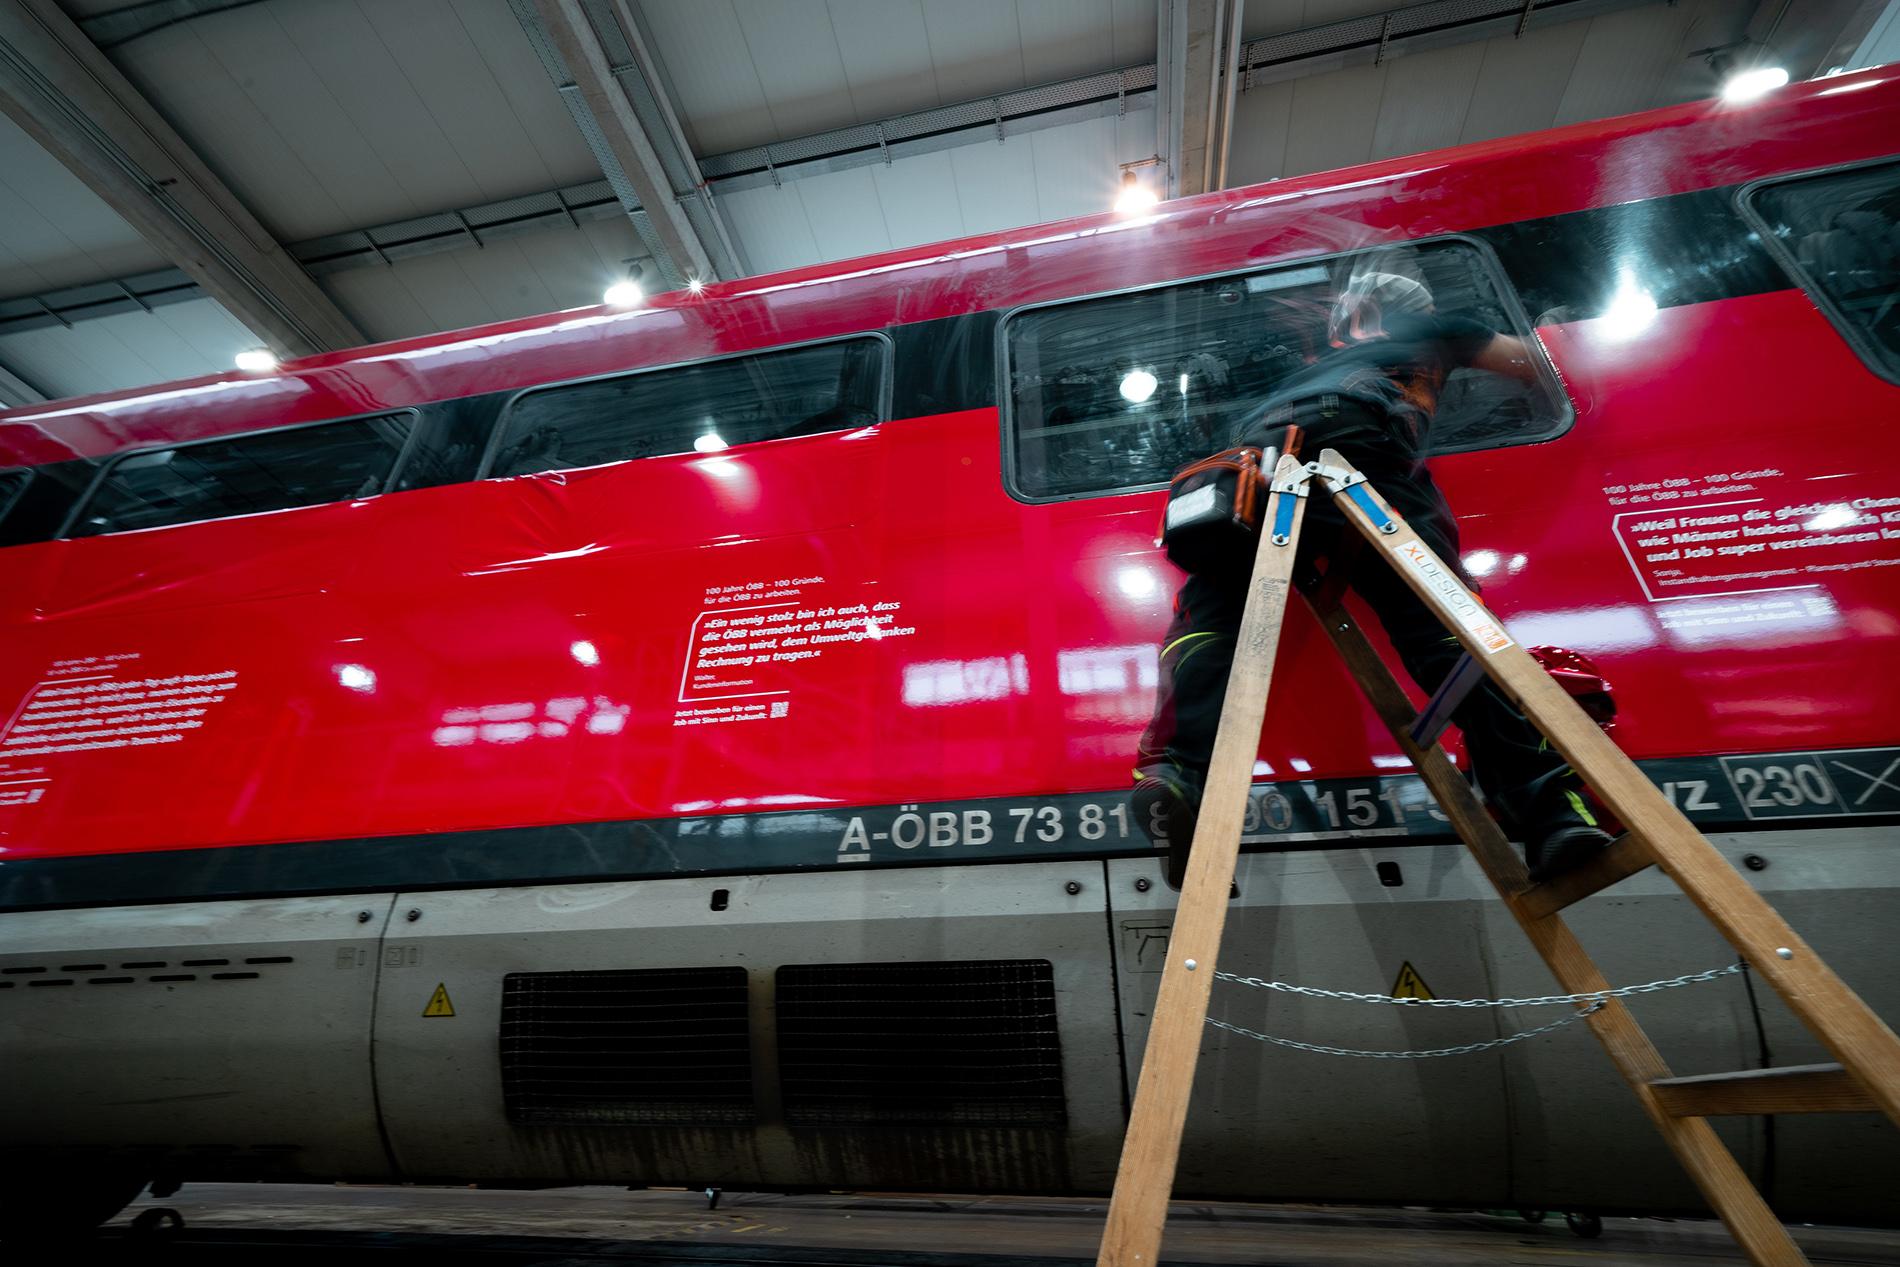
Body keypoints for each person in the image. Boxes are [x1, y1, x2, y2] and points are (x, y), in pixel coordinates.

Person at [1131, 270, 1611, 888]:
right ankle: (1547, 811)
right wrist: (1560, 328)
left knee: (1214, 616)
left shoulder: (1307, 361)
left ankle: (1175, 775)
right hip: (1356, 433)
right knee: (1434, 614)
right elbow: (1539, 367)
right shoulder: (1434, 327)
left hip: (1255, 449)